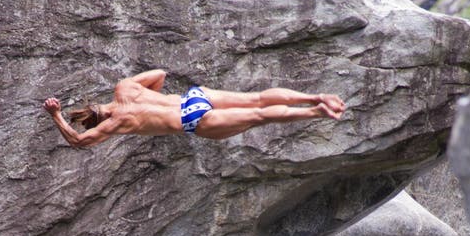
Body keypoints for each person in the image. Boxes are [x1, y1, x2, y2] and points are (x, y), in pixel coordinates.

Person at [43, 69, 345, 148]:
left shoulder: (119, 122)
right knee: (259, 98)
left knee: (259, 116)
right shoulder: (125, 87)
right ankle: (315, 96)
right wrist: (156, 104)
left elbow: (78, 141)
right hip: (194, 98)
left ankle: (316, 112)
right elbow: (160, 75)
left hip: (192, 118)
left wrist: (56, 115)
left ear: (99, 121)